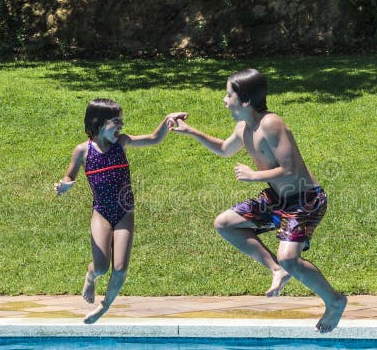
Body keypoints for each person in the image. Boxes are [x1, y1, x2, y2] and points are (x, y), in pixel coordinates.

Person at [171, 68, 347, 333]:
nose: (224, 100)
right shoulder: (244, 127)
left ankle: (334, 301)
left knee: (290, 258)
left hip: (305, 199)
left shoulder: (271, 124)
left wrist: (254, 176)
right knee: (225, 223)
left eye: (228, 94)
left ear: (244, 101)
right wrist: (190, 131)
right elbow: (224, 149)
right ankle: (277, 270)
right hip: (278, 198)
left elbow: (291, 171)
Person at [55, 98, 187, 324]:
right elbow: (69, 175)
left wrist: (167, 120)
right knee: (101, 267)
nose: (121, 125)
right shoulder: (83, 151)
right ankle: (91, 276)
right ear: (98, 123)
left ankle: (104, 306)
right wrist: (65, 184)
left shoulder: (122, 143)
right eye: (116, 121)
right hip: (102, 212)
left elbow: (154, 138)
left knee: (120, 268)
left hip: (125, 212)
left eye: (121, 121)